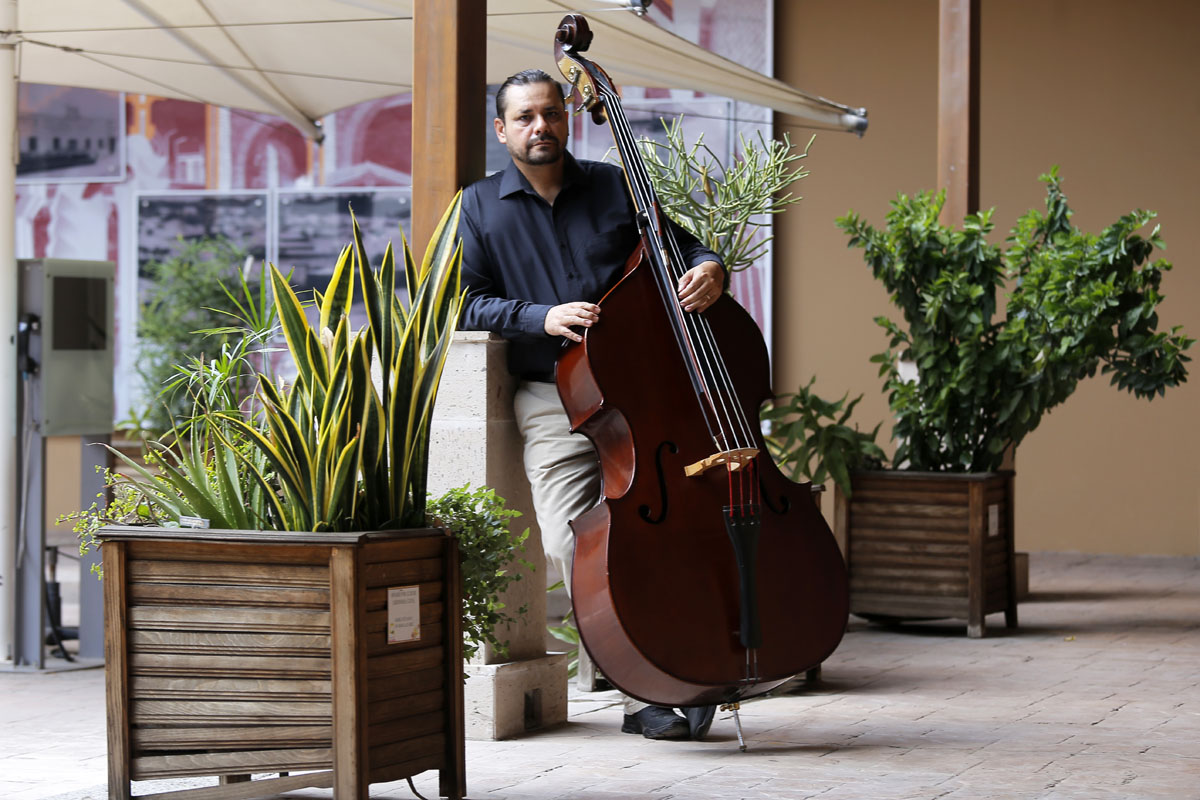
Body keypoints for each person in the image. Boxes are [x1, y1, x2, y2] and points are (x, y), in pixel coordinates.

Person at [458, 69, 723, 742]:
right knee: (574, 544)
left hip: (645, 393)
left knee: (662, 534)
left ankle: (658, 688)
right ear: (502, 130)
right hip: (554, 398)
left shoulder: (614, 184)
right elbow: (463, 301)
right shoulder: (478, 207)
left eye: (549, 113)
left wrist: (710, 267)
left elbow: (681, 245)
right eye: (524, 117)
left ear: (566, 118)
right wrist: (538, 316)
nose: (539, 126)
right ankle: (643, 680)